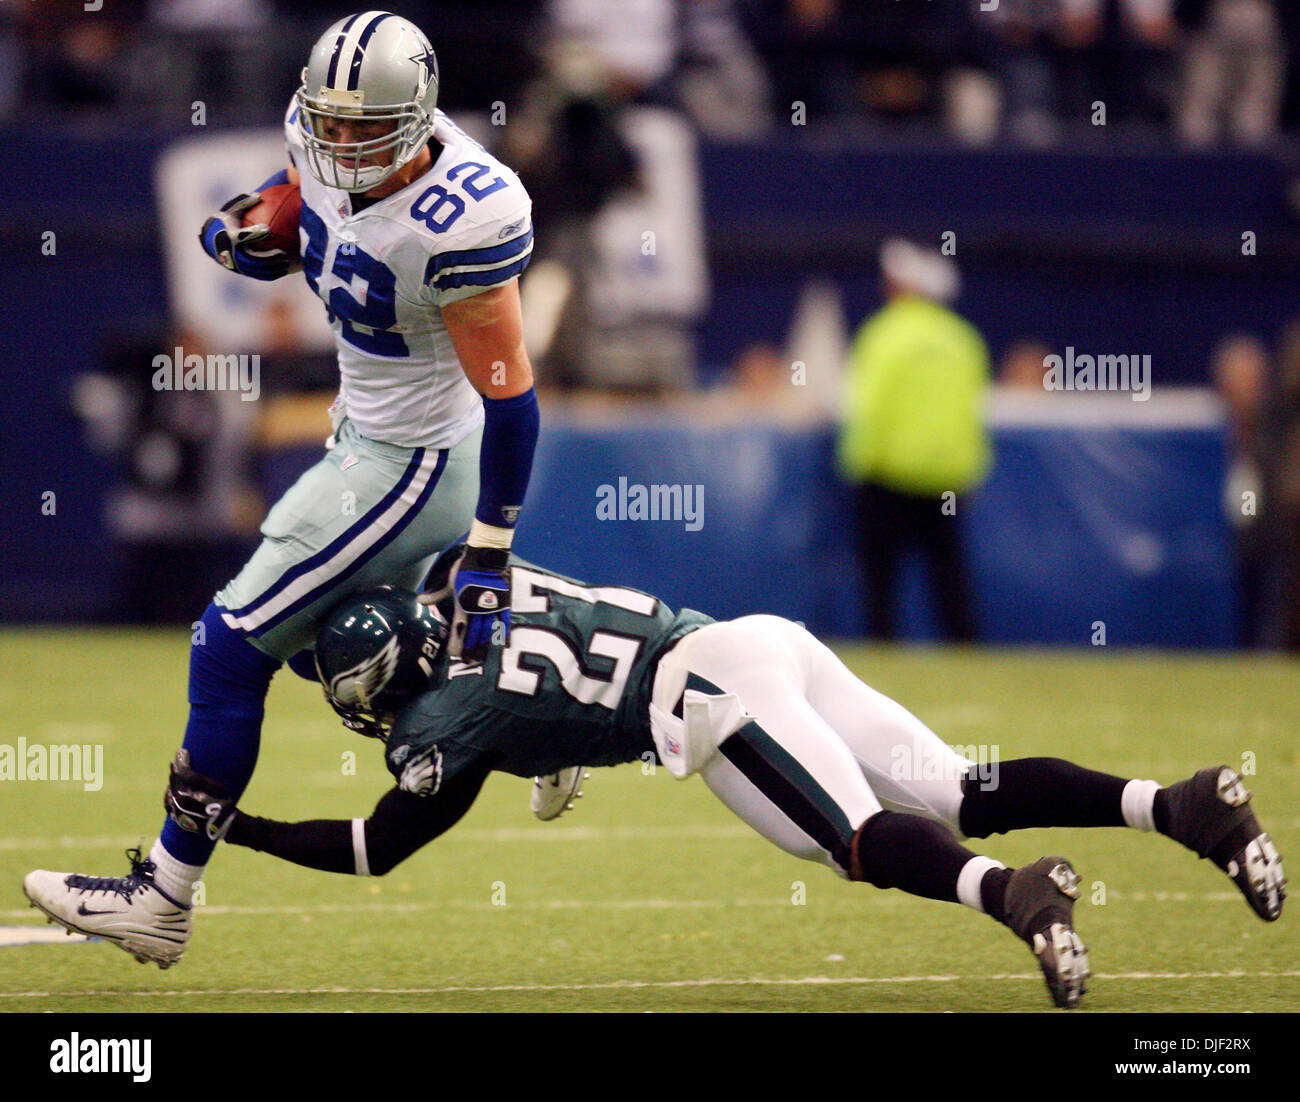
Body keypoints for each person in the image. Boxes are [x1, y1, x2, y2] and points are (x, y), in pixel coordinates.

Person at [27, 548, 1285, 1010]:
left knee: (850, 839)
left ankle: (1017, 896)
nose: (373, 718)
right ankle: (1180, 806)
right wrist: (549, 755)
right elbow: (548, 695)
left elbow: (375, 850)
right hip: (753, 640)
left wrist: (226, 823)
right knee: (955, 783)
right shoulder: (480, 594)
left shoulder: (444, 717)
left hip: (708, 698)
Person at [19, 11, 554, 969]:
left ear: (419, 117)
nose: (341, 144)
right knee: (335, 657)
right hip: (366, 441)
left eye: (365, 129)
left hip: (412, 460)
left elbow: (513, 404)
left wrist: (490, 551)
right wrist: (254, 220)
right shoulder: (325, 139)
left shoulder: (464, 215)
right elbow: (299, 188)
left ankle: (163, 896)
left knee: (226, 647)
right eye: (330, 124)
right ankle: (534, 722)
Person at [837, 239, 991, 641]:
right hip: (946, 481)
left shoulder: (883, 334)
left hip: (886, 477)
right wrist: (968, 471)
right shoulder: (963, 338)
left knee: (880, 583)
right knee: (950, 580)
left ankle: (882, 656)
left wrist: (858, 465)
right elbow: (971, 412)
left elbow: (868, 408)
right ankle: (966, 654)